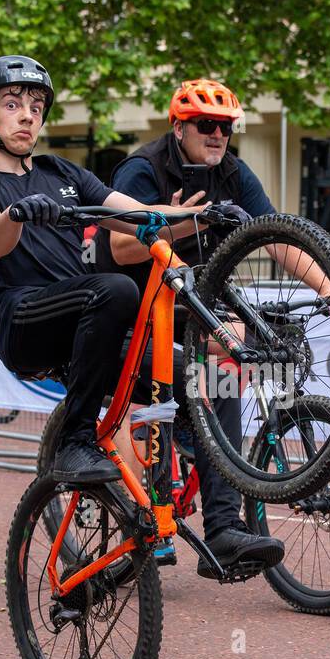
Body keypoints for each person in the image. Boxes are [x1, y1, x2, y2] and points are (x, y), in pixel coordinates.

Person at [0, 56, 284, 579]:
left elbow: (133, 212)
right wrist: (17, 214)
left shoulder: (61, 172)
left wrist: (201, 215)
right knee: (112, 288)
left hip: (91, 326)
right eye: (12, 106)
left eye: (35, 108)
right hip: (25, 322)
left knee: (209, 375)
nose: (26, 118)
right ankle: (76, 440)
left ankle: (222, 527)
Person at [96, 77, 296, 576]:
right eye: (206, 125)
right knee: (181, 380)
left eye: (226, 127)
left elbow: (279, 239)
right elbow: (122, 248)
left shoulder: (233, 172)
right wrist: (194, 218)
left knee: (225, 366)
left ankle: (223, 529)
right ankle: (151, 510)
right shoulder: (142, 169)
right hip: (125, 315)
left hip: (189, 310)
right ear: (178, 126)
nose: (218, 135)